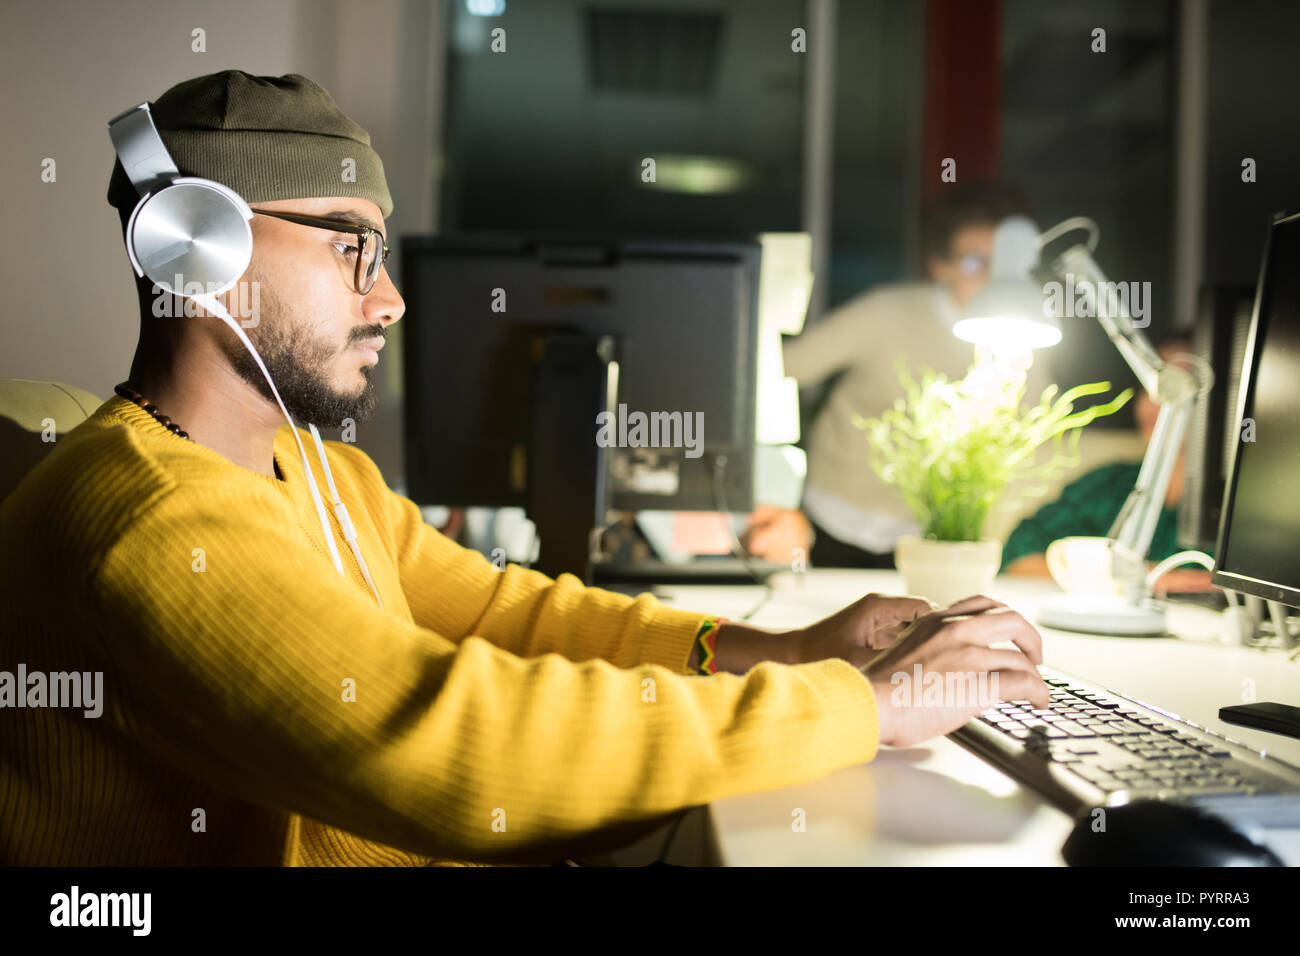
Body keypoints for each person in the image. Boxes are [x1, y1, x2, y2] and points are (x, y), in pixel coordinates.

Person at [0, 71, 1048, 866]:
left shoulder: (318, 475)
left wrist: (780, 646)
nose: (389, 298)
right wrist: (860, 703)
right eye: (349, 247)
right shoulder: (146, 520)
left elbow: (511, 615)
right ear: (195, 248)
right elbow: (452, 742)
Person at [742, 184, 1050, 567]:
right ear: (941, 266)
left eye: (1003, 263)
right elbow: (777, 370)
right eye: (975, 261)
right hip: (827, 520)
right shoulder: (887, 313)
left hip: (928, 541)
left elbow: (1034, 438)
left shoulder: (1025, 338)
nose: (991, 278)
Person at [1002, 338, 1216, 593]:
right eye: (1149, 385)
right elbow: (1020, 554)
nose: (1153, 400)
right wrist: (1139, 579)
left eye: (1175, 385)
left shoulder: (1234, 508)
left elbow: (1236, 588)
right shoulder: (1108, 485)